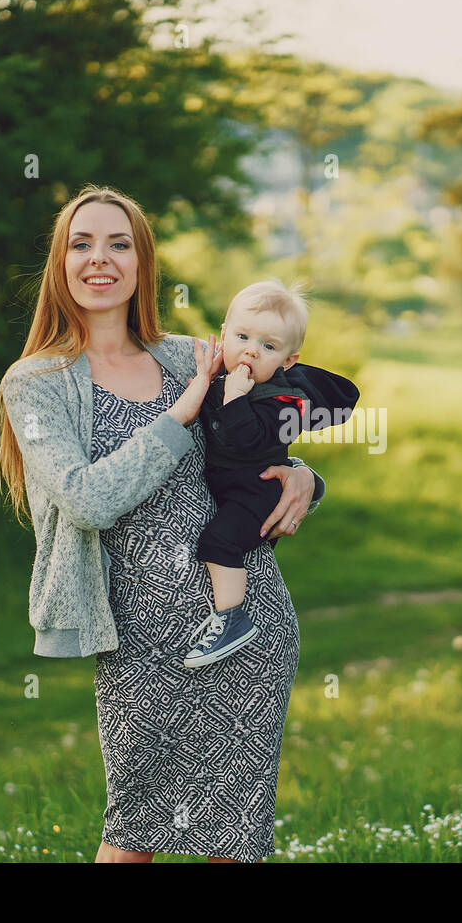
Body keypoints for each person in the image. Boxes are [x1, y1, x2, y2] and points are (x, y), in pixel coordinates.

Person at [0, 185, 324, 863]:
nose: (100, 258)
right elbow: (87, 499)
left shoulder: (188, 358)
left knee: (235, 839)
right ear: (60, 263)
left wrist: (307, 478)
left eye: (119, 243)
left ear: (142, 263)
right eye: (81, 243)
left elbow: (265, 430)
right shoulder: (35, 383)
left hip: (244, 627)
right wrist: (176, 421)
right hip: (137, 641)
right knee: (133, 836)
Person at [185, 278, 359, 668]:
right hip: (229, 487)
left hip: (257, 491)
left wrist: (235, 398)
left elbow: (246, 440)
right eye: (242, 336)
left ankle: (231, 618)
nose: (250, 351)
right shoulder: (216, 376)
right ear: (224, 334)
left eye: (268, 346)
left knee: (219, 543)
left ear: (288, 360)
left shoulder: (283, 401)